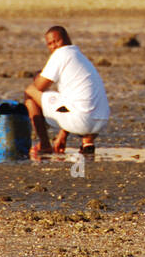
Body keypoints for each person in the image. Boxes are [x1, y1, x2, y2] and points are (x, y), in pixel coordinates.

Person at [24, 25, 109, 160]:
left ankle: (45, 144)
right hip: (101, 120)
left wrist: (33, 89)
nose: (54, 46)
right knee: (72, 102)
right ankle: (87, 143)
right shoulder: (79, 57)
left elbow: (38, 87)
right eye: (50, 44)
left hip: (83, 120)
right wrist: (62, 136)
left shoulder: (61, 54)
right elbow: (70, 105)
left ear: (67, 39)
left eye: (57, 41)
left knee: (30, 94)